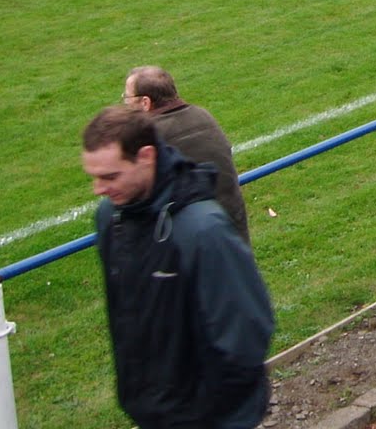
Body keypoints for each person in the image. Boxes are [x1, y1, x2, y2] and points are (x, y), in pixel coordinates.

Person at [82, 106, 274, 429]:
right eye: (94, 177)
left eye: (110, 176)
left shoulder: (202, 230)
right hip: (154, 413)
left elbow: (247, 333)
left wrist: (204, 414)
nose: (98, 189)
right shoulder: (111, 218)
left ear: (145, 156)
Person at [123, 66, 248, 243]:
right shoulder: (202, 115)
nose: (125, 104)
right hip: (233, 226)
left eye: (127, 98)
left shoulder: (146, 137)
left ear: (145, 102)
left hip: (190, 242)